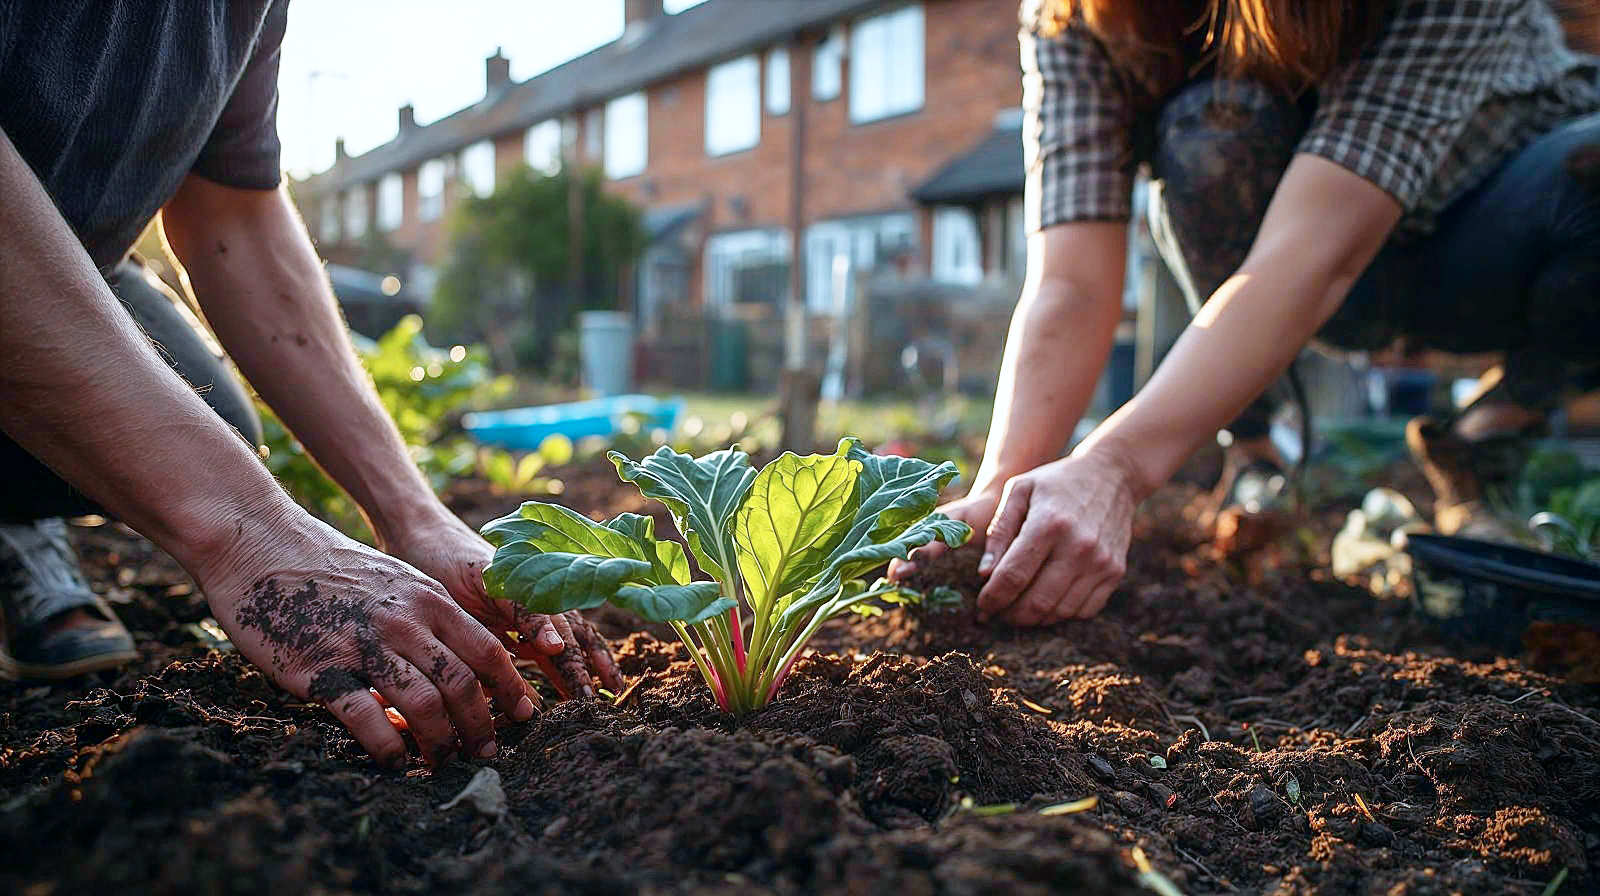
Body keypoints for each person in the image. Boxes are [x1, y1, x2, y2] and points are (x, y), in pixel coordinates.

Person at [0, 1, 620, 768]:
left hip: (72, 257)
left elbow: (235, 213)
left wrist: (411, 514)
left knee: (213, 411)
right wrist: (250, 534)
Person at [893, 0, 1600, 624]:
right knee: (1212, 131)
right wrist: (1001, 487)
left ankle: (1487, 436)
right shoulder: (1075, 14)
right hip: (1300, 275)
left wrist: (1115, 466)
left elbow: (1318, 250)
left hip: (1492, 243)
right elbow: (1070, 283)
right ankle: (1257, 451)